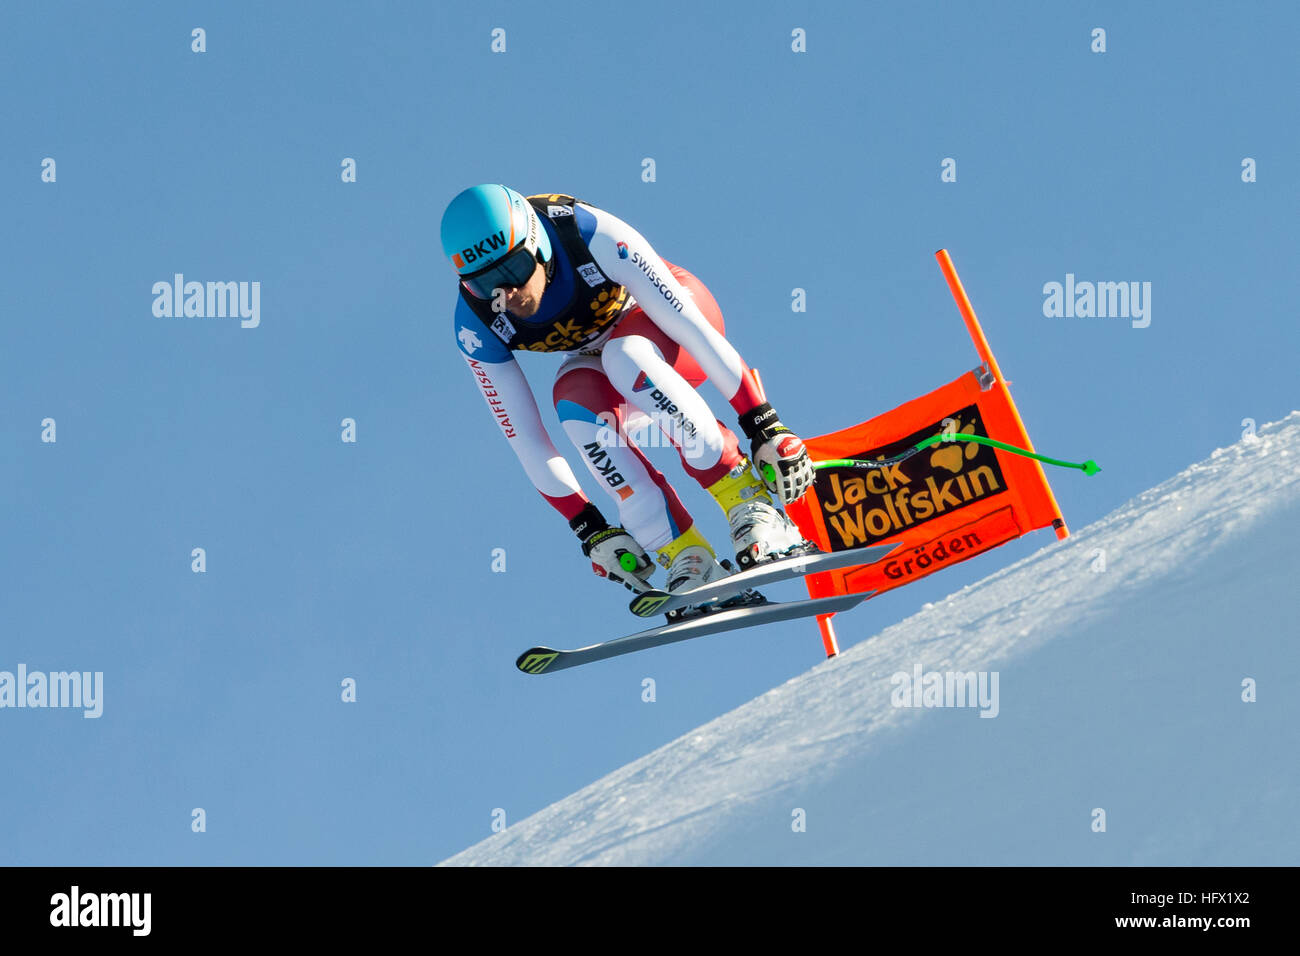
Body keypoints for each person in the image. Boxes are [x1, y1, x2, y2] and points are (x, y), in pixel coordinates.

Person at [441, 185, 817, 600]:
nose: (504, 294)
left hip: (672, 329)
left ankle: (749, 501)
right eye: (484, 283)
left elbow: (693, 330)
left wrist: (764, 424)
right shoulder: (475, 324)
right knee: (572, 399)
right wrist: (590, 528)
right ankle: (684, 553)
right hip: (606, 362)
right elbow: (526, 439)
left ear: (538, 246)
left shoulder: (587, 234)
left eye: (510, 271)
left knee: (626, 355)